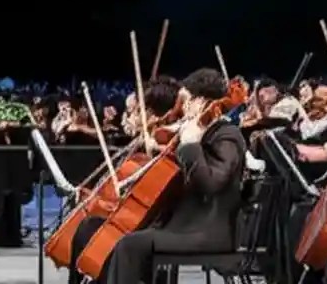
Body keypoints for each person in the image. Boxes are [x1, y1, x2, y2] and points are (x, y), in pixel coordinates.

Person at [69, 69, 244, 284]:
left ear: (201, 102)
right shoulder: (198, 131)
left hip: (205, 230)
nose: (183, 108)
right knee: (92, 227)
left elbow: (212, 183)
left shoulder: (227, 135)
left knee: (128, 244)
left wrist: (190, 146)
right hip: (178, 222)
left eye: (187, 101)